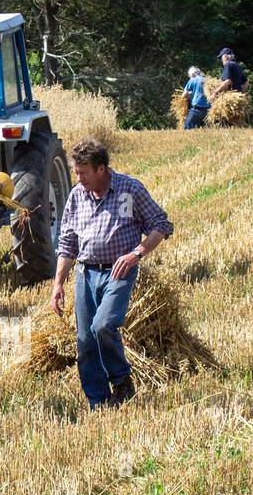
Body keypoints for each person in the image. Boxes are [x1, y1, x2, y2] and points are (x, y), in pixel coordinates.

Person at [50, 138, 173, 409]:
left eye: (83, 172)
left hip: (118, 271)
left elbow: (161, 225)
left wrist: (135, 254)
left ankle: (121, 380)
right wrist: (58, 283)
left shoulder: (129, 190)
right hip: (85, 273)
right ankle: (99, 402)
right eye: (76, 172)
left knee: (103, 326)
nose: (78, 178)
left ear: (101, 168)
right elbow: (68, 242)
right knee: (84, 341)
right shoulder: (77, 195)